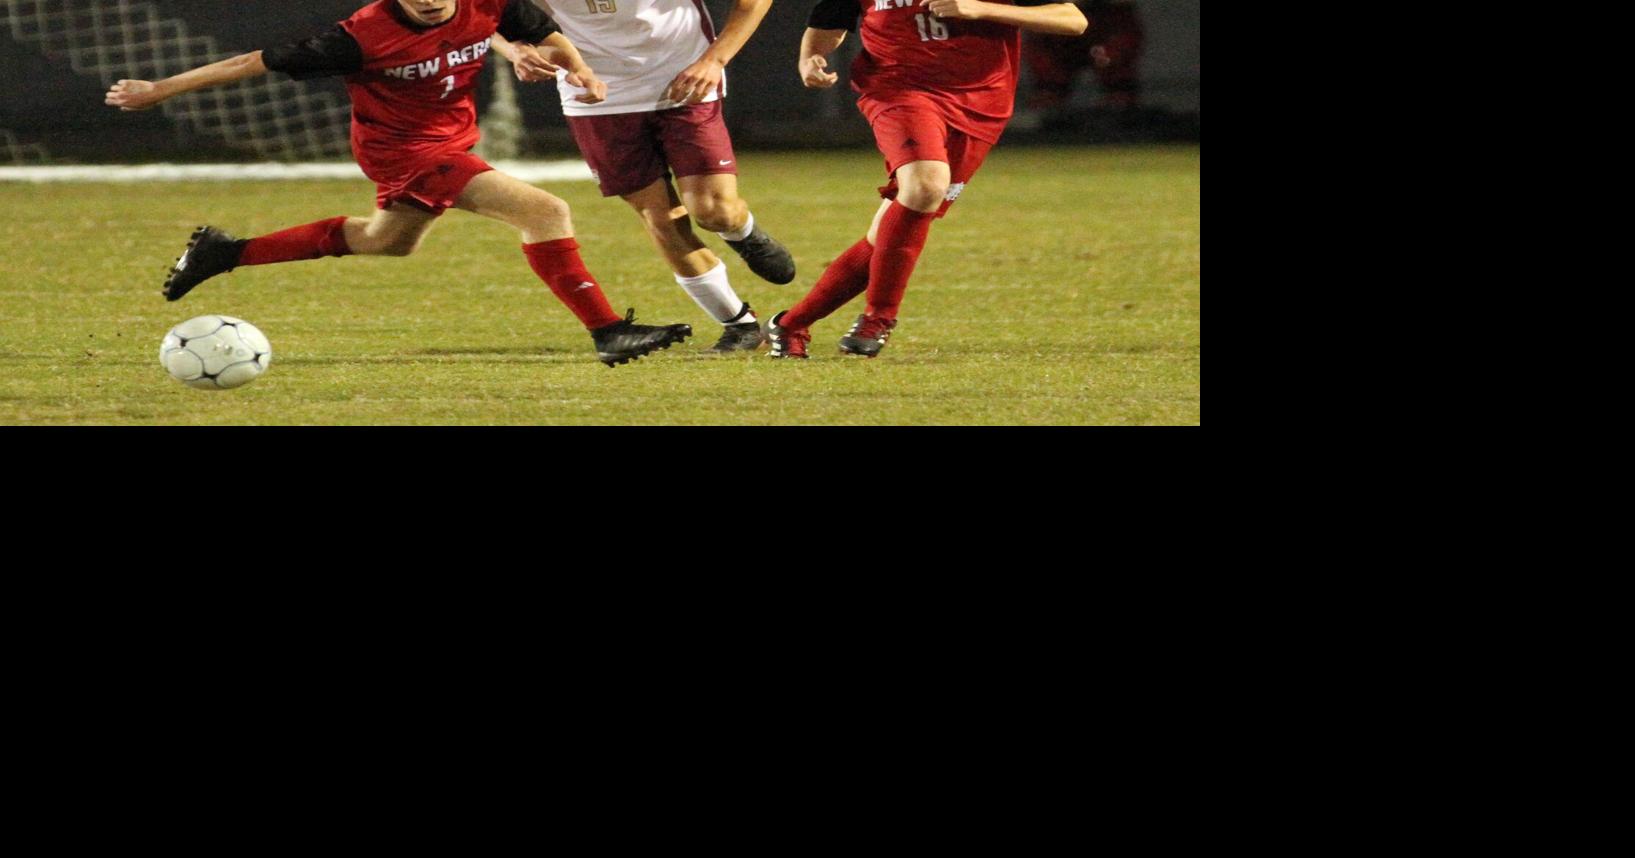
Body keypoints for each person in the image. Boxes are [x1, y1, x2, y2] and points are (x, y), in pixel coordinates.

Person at [105, 0, 692, 368]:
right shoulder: (358, 36)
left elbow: (546, 33)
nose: (433, 2)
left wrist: (577, 68)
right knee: (545, 211)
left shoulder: (487, 2)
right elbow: (250, 62)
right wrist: (160, 89)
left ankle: (225, 252)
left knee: (387, 240)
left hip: (450, 141)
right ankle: (608, 332)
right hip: (401, 151)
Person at [767, 0, 1086, 359]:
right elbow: (827, 25)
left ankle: (792, 324)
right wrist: (810, 58)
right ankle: (880, 317)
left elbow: (1072, 20)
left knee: (889, 230)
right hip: (897, 89)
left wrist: (980, 9)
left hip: (981, 102)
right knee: (926, 185)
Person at [495, 0, 795, 354]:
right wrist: (514, 49)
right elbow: (475, 11)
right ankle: (738, 322)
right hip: (596, 94)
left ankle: (741, 231)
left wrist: (714, 60)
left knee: (714, 211)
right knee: (660, 218)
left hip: (683, 79)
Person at [1025, 0, 1145, 115]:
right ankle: (1047, 106)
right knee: (1049, 87)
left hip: (1110, 18)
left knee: (1118, 86)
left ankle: (1121, 107)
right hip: (1058, 18)